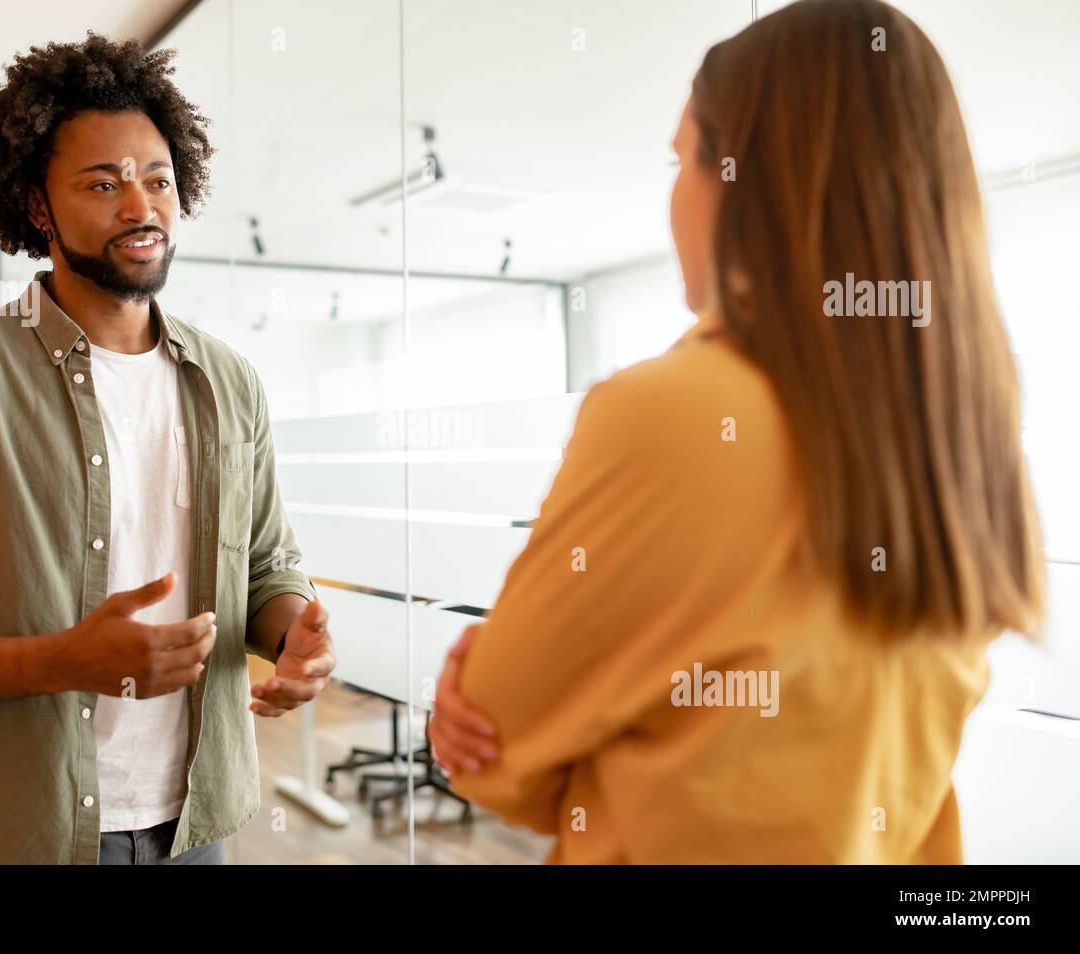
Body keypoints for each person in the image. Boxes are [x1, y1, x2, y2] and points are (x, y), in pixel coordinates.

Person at [427, 0, 1046, 864]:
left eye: (684, 160)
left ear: (753, 180)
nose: (675, 198)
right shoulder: (965, 424)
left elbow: (496, 750)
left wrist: (492, 683)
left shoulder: (670, 412)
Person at [0, 33, 335, 865]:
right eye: (103, 184)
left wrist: (295, 634)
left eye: (158, 179)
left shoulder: (231, 382)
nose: (142, 207)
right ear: (36, 205)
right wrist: (59, 660)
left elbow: (268, 567)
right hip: (24, 834)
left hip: (200, 825)